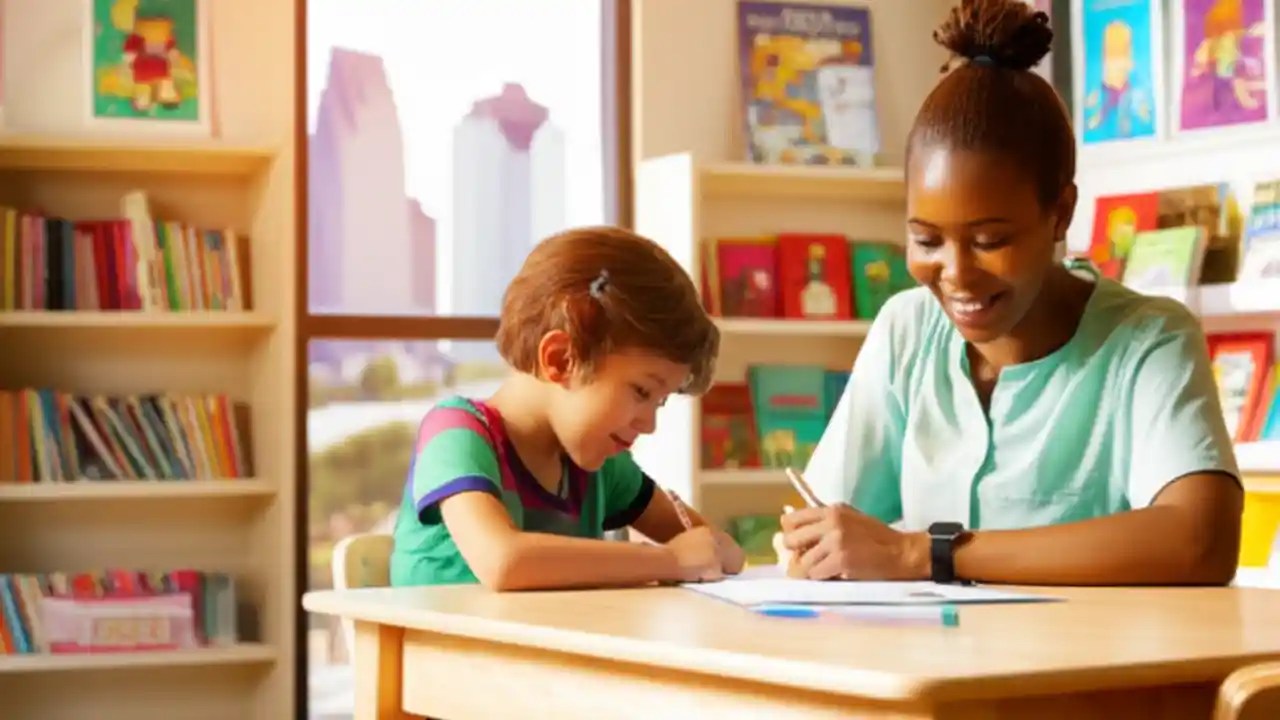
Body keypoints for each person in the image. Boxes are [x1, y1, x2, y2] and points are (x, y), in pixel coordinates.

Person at [780, 0, 1243, 587]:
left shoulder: (1149, 341)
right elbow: (822, 526)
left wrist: (925, 554)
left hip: (1076, 677)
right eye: (926, 239)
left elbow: (1201, 541)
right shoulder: (906, 328)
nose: (957, 274)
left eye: (990, 239)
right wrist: (817, 546)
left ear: (1061, 213)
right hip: (924, 674)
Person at [390, 226, 746, 590]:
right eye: (641, 392)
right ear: (560, 360)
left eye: (661, 401)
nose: (650, 424)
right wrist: (670, 560)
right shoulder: (456, 433)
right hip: (441, 646)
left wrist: (718, 550)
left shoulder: (601, 466)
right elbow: (504, 562)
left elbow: (718, 548)